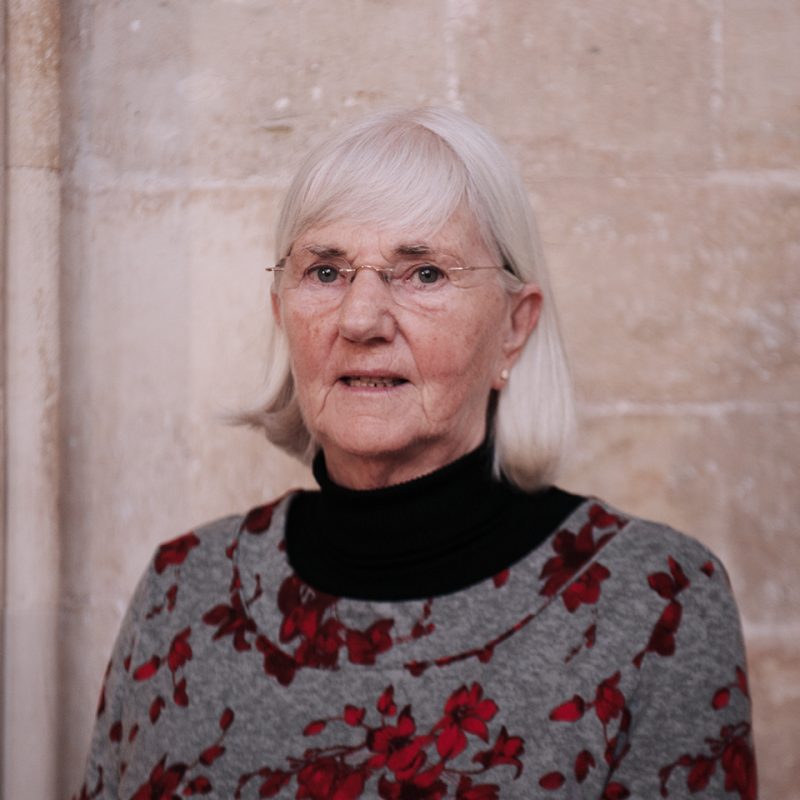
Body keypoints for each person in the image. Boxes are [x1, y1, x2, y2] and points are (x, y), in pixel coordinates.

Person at [74, 108, 756, 800]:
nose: (361, 319)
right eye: (327, 270)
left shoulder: (652, 602)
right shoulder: (182, 592)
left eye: (423, 272)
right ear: (282, 312)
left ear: (514, 329)